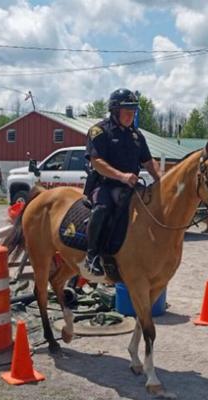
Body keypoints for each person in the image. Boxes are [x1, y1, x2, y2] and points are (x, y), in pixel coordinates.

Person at [84, 88, 161, 276]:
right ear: (115, 111)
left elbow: (148, 162)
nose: (130, 115)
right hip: (104, 184)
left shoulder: (136, 135)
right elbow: (97, 162)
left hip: (131, 186)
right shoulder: (99, 131)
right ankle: (92, 255)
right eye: (127, 111)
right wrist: (122, 176)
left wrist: (162, 179)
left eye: (133, 111)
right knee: (102, 209)